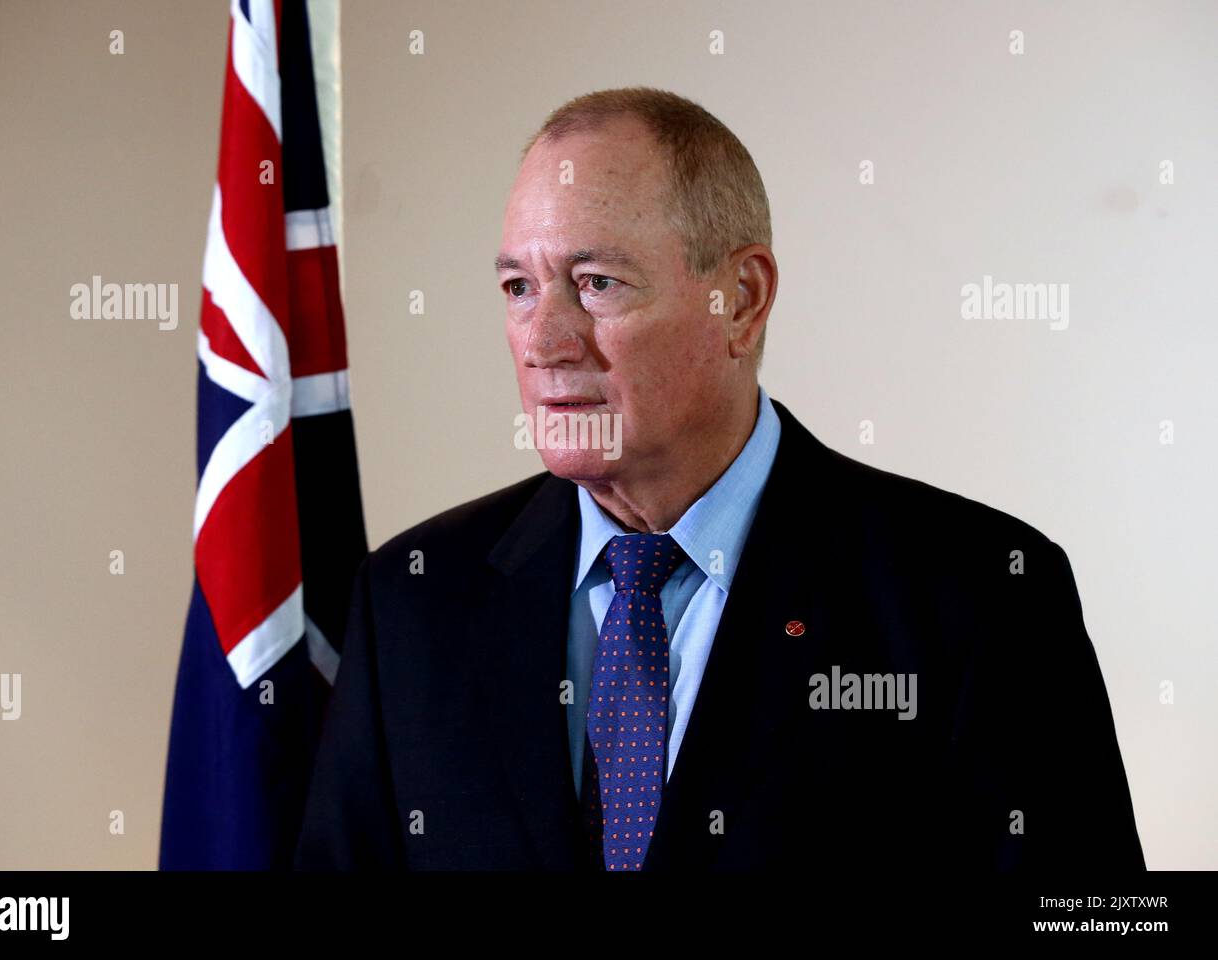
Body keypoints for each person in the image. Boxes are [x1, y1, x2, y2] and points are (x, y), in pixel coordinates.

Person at [294, 86, 1145, 871]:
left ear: (740, 299)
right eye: (519, 286)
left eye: (595, 284)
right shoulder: (411, 602)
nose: (543, 339)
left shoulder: (978, 598)